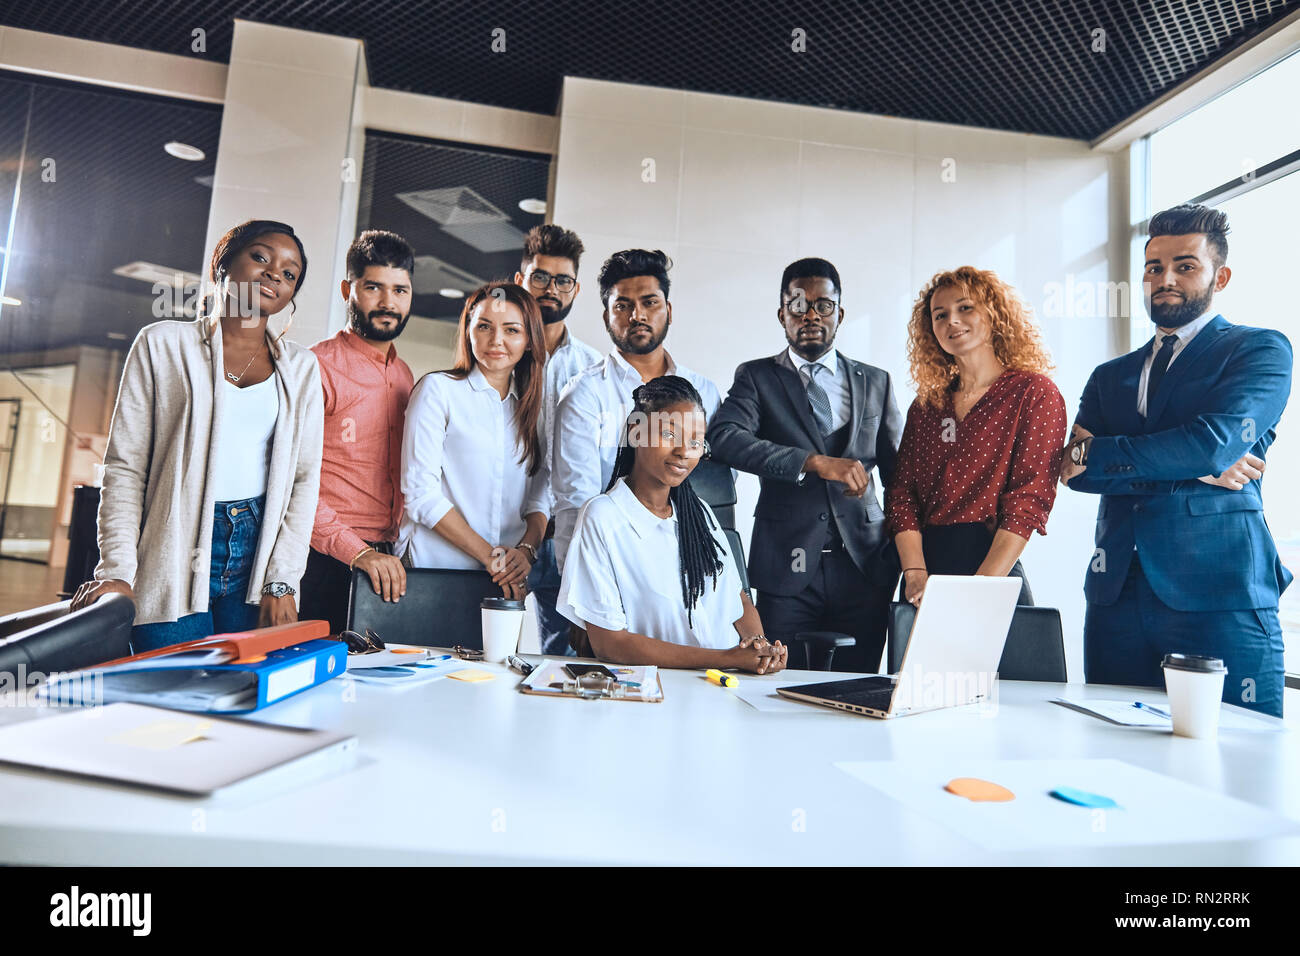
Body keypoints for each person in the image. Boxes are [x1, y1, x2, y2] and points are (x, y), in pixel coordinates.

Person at [1062, 204, 1292, 718]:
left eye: (1185, 265)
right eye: (1153, 266)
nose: (1164, 279)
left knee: (1238, 761)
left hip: (1221, 595)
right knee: (1114, 757)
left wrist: (1191, 453)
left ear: (1220, 275)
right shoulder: (1109, 374)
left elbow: (1210, 445)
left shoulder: (1259, 351)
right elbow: (1073, 469)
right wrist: (1193, 459)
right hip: (1115, 597)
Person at [71, 219, 324, 650]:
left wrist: (283, 582)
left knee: (243, 702)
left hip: (256, 559)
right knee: (169, 698)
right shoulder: (162, 345)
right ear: (221, 265)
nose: (273, 275)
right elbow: (126, 468)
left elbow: (304, 481)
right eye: (261, 257)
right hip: (172, 552)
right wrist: (115, 571)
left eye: (289, 273)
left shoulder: (302, 368)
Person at [707, 258, 903, 672]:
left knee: (858, 691)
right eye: (797, 305)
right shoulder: (757, 377)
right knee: (778, 691)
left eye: (822, 305)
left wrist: (907, 556)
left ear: (840, 313)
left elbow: (900, 478)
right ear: (782, 315)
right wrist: (812, 462)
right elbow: (724, 438)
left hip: (866, 568)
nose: (810, 314)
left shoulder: (877, 382)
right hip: (786, 568)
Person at [558, 375, 787, 673]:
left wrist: (758, 646)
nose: (684, 451)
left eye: (695, 441)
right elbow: (610, 644)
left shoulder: (698, 513)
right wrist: (725, 660)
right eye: (669, 435)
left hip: (725, 686)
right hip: (661, 690)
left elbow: (736, 596)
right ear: (636, 432)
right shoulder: (604, 517)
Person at [886, 266, 1066, 609]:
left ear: (994, 314)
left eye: (965, 307)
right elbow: (901, 497)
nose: (952, 320)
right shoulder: (926, 407)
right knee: (920, 665)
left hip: (993, 569)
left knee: (1003, 665)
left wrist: (980, 587)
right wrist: (914, 572)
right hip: (924, 577)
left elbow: (1029, 500)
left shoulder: (1034, 393)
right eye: (940, 315)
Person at [552, 248, 722, 569]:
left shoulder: (705, 393)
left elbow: (713, 486)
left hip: (686, 560)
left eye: (649, 303)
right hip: (607, 562)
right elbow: (576, 502)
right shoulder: (585, 394)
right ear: (606, 316)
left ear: (668, 310)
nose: (637, 315)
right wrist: (583, 581)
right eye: (623, 305)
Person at [397, 282, 548, 599]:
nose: (496, 340)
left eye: (511, 330)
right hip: (435, 571)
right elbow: (420, 495)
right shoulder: (438, 391)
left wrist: (527, 550)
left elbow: (539, 495)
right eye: (484, 326)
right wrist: (493, 558)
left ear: (530, 341)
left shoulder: (535, 409)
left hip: (505, 582)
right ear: (468, 331)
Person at [300, 230, 416, 635]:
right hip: (324, 561)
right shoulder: (316, 368)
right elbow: (294, 485)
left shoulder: (405, 376)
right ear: (348, 290)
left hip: (387, 561)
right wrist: (358, 552)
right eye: (374, 288)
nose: (388, 303)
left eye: (400, 290)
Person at [513, 224, 601, 655]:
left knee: (564, 660)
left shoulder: (594, 369)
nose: (551, 289)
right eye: (540, 277)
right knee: (482, 651)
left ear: (576, 289)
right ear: (520, 282)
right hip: (500, 534)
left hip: (566, 537)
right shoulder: (497, 357)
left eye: (563, 280)